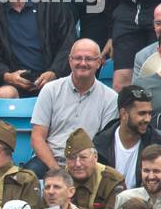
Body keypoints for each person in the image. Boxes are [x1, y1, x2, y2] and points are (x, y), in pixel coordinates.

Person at [28, 39, 118, 178]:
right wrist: (56, 170)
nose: (82, 63)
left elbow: (103, 145)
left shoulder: (110, 98)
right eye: (78, 58)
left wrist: (81, 165)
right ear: (70, 60)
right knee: (27, 177)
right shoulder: (50, 90)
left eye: (89, 59)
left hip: (87, 163)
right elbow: (37, 137)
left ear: (99, 62)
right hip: (50, 160)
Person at [94, 85, 161, 190]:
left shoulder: (158, 145)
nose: (148, 119)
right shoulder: (100, 144)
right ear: (124, 114)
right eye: (142, 113)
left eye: (149, 113)